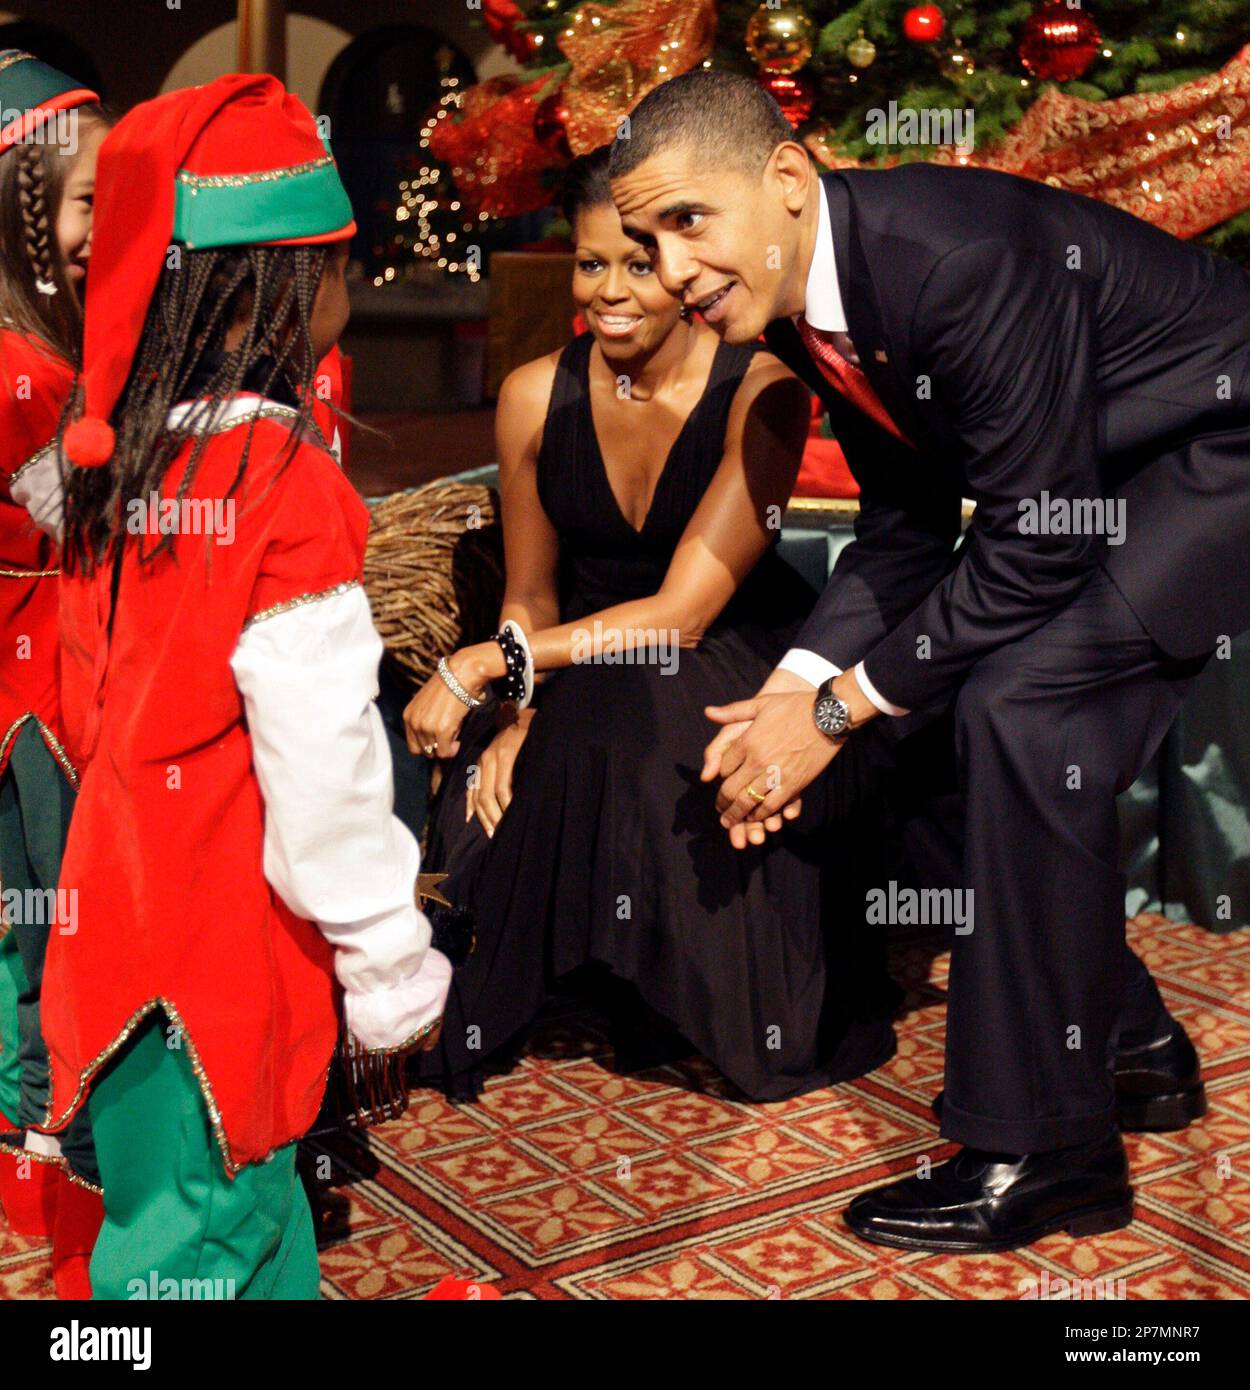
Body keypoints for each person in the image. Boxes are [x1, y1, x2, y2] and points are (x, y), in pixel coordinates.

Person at [607, 69, 1240, 1252]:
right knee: (955, 717)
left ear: (786, 179)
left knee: (1021, 712)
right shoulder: (800, 301)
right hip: (1096, 479)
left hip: (1219, 447)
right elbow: (906, 522)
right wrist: (795, 693)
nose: (668, 268)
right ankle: (1125, 1037)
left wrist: (840, 709)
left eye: (687, 220)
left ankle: (1049, 1151)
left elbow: (1031, 538)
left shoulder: (951, 257)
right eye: (643, 239)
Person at [37, 74, 451, 1300]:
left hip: (111, 905)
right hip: (222, 934)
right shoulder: (282, 479)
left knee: (226, 1205)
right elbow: (322, 754)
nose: (350, 289)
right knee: (195, 1251)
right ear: (281, 284)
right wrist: (383, 946)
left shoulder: (116, 456)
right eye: (337, 263)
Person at [403, 146, 900, 1104]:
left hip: (728, 648)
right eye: (592, 265)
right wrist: (516, 711)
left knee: (639, 713)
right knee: (530, 756)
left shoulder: (763, 389)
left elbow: (680, 617)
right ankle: (603, 966)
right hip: (575, 653)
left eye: (640, 264)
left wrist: (489, 666)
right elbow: (533, 592)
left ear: (681, 268)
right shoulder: (531, 394)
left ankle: (701, 990)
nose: (614, 293)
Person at [0, 50, 107, 1299]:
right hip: (47, 677)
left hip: (39, 658)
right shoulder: (30, 371)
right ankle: (56, 1136)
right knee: (49, 910)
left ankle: (31, 1130)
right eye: (84, 199)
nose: (102, 225)